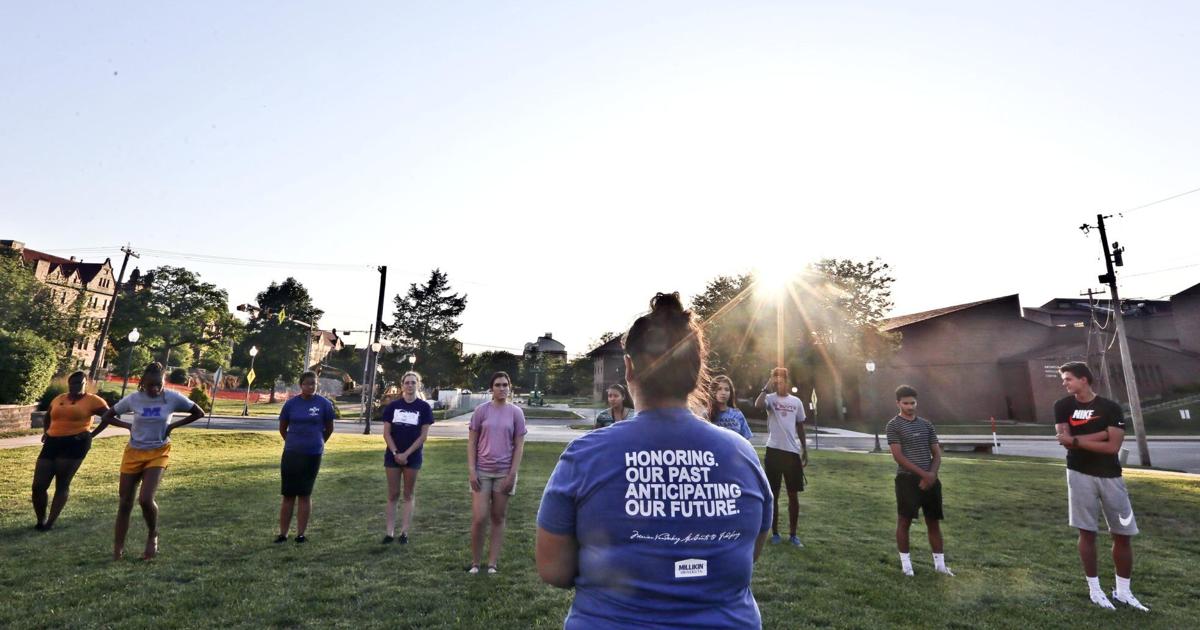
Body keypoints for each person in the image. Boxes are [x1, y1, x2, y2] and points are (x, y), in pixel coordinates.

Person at [536, 292, 773, 629]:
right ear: (697, 372)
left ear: (629, 368)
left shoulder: (585, 455)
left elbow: (554, 570)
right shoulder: (742, 454)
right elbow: (749, 553)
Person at [1054, 362, 1148, 611]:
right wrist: (1100, 435)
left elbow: (1112, 447)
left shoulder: (1110, 407)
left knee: (1123, 534)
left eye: (1068, 378)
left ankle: (1123, 591)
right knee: (1087, 532)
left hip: (1111, 476)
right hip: (1079, 474)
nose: (1064, 383)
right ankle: (1095, 590)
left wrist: (1077, 440)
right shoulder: (1063, 406)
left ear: (1083, 379)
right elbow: (1064, 441)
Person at [94, 362, 204, 560]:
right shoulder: (134, 399)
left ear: (163, 382)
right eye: (151, 385)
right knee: (125, 502)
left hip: (159, 451)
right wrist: (127, 426)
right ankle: (118, 549)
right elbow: (108, 416)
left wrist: (172, 427)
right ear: (142, 383)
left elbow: (198, 412)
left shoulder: (172, 397)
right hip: (134, 452)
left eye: (158, 385)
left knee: (145, 499)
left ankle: (153, 534)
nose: (155, 389)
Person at [886, 385, 952, 577]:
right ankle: (907, 567)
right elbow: (898, 456)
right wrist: (923, 475)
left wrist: (931, 475)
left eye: (912, 403)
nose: (910, 407)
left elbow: (936, 453)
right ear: (898, 403)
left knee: (933, 522)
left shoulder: (926, 425)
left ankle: (940, 566)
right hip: (907, 480)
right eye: (905, 403)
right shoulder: (893, 425)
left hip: (931, 480)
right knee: (904, 521)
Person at [31, 371, 109, 531]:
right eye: (72, 383)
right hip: (52, 442)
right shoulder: (59, 398)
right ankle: (40, 520)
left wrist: (91, 434)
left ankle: (50, 523)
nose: (75, 386)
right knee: (38, 485)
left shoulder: (93, 400)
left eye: (79, 383)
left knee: (62, 483)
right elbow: (48, 416)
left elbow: (109, 416)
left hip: (75, 443)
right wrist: (46, 431)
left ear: (85, 383)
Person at [466, 371, 527, 574]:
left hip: (504, 473)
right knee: (479, 518)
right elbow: (472, 442)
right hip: (482, 472)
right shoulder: (481, 411)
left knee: (498, 517)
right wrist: (472, 471)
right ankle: (475, 563)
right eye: (498, 385)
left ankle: (492, 563)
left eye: (505, 385)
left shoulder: (516, 413)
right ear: (491, 388)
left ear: (510, 387)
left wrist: (512, 474)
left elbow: (519, 446)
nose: (502, 388)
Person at [275, 370, 336, 544]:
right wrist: (293, 442)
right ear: (300, 385)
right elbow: (283, 428)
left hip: (312, 454)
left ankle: (300, 534)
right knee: (288, 494)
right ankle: (283, 534)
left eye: (313, 384)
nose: (310, 387)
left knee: (304, 494)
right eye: (307, 384)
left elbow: (329, 428)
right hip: (292, 453)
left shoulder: (324, 404)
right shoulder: (291, 404)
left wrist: (317, 442)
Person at [754, 367, 807, 546]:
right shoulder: (769, 398)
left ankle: (793, 535)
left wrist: (804, 449)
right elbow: (758, 405)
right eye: (775, 379)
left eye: (781, 379)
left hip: (792, 453)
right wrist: (767, 386)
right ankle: (775, 533)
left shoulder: (796, 401)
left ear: (787, 380)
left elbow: (800, 426)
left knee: (793, 495)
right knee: (773, 495)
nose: (778, 382)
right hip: (774, 451)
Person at [380, 371, 434, 545]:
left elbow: (423, 436)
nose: (410, 385)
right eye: (407, 382)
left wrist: (406, 454)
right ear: (402, 385)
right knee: (393, 494)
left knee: (408, 494)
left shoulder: (424, 408)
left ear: (418, 385)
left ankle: (404, 532)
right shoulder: (393, 406)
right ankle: (389, 532)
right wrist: (396, 453)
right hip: (393, 456)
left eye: (413, 382)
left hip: (413, 456)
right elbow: (386, 433)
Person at [709, 375, 752, 440]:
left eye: (727, 390)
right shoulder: (706, 414)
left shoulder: (737, 414)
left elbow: (746, 439)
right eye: (719, 389)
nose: (723, 393)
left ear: (730, 393)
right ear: (713, 391)